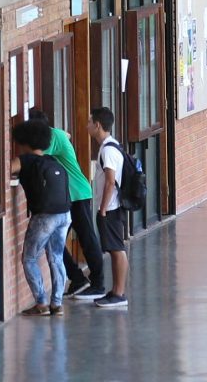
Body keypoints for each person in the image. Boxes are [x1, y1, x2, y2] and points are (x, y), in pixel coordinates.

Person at [28, 107, 105, 302]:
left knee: (87, 238)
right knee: (54, 240)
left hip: (77, 193)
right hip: (64, 197)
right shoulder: (56, 135)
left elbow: (35, 155)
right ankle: (78, 279)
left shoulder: (53, 136)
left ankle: (98, 283)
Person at [10, 119, 73, 317]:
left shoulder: (25, 160)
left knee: (29, 258)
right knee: (56, 257)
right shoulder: (53, 161)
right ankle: (57, 303)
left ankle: (41, 303)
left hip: (45, 217)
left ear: (26, 141)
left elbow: (3, 170)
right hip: (65, 214)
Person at [89, 107, 130, 310]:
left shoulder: (108, 150)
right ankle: (115, 291)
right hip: (112, 207)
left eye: (90, 123)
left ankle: (119, 293)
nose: (88, 126)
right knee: (114, 250)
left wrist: (103, 209)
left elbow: (110, 182)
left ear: (97, 125)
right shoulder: (110, 146)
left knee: (117, 250)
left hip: (111, 208)